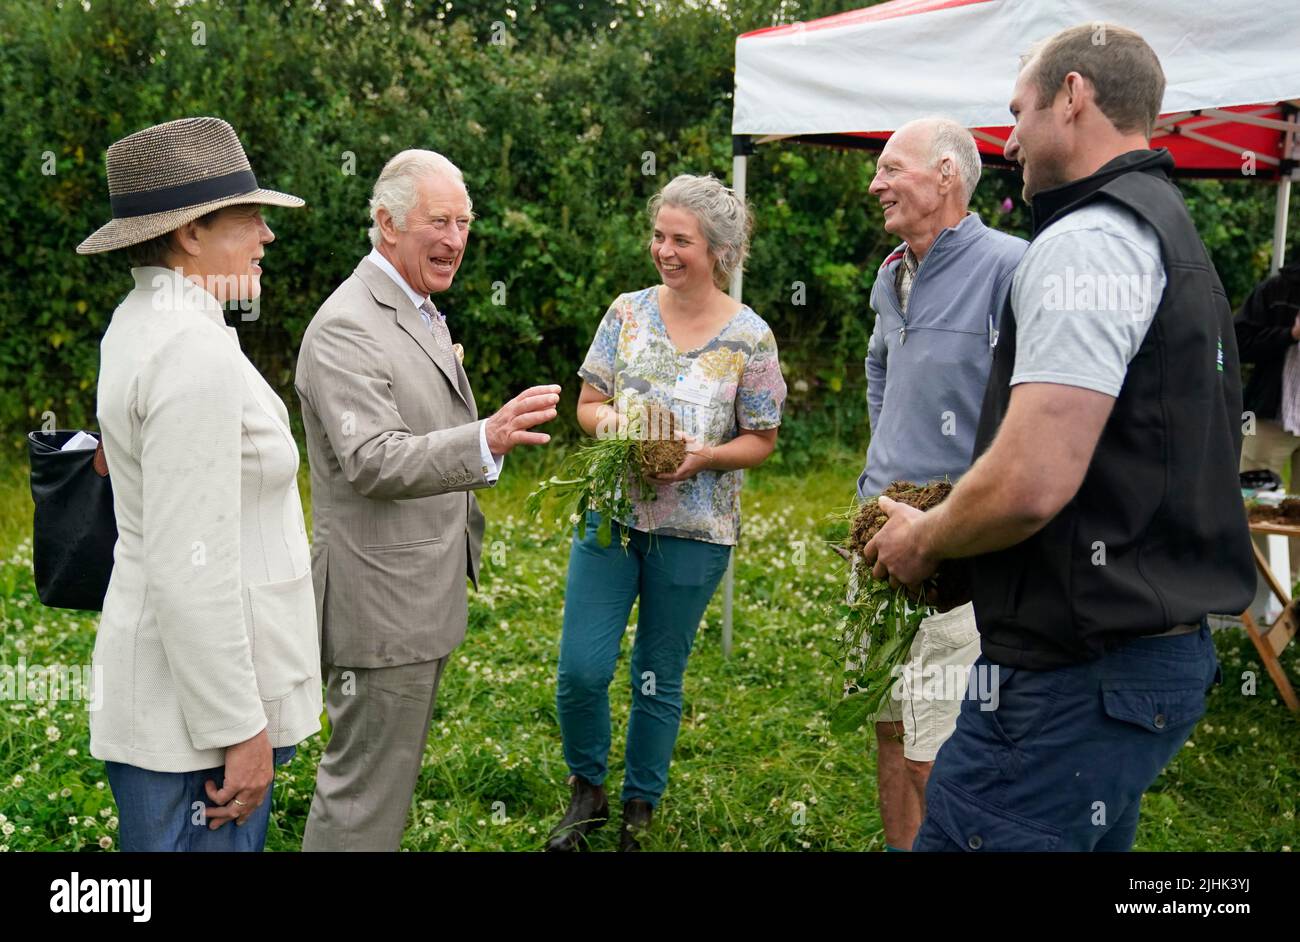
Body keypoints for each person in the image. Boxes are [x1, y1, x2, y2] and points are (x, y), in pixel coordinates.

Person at [864, 23, 1255, 851]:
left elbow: (1034, 477)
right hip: (1141, 655)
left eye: (1018, 112)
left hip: (1074, 673)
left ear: (1071, 96)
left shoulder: (1085, 242)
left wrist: (929, 539)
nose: (1007, 141)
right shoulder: (1167, 234)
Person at [295, 149, 560, 851]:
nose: (455, 238)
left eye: (464, 221)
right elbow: (372, 459)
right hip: (379, 603)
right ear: (386, 223)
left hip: (417, 593)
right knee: (361, 794)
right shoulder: (346, 326)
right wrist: (486, 439)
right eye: (437, 221)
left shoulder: (418, 307)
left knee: (385, 783)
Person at [80, 116, 320, 851]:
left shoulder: (143, 319)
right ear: (190, 233)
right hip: (196, 727)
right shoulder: (191, 348)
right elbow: (193, 568)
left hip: (171, 701)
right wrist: (239, 730)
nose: (266, 236)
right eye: (250, 218)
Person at [544, 174, 787, 852]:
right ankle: (586, 787)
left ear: (720, 251)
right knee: (582, 670)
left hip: (695, 533)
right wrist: (616, 424)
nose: (665, 250)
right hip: (611, 519)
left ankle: (639, 807)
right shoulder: (626, 312)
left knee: (658, 674)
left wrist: (703, 457)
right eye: (659, 235)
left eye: (682, 240)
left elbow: (761, 438)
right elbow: (587, 404)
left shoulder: (751, 338)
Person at [857, 117, 1026, 852]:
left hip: (957, 548)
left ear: (948, 175)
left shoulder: (1010, 267)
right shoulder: (891, 273)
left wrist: (962, 503)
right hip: (879, 530)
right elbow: (878, 368)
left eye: (893, 168)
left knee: (941, 753)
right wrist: (884, 461)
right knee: (891, 726)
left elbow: (1036, 405)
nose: (876, 183)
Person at [1236, 260, 1300, 485]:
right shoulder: (1274, 290)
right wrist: (1290, 334)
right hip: (1266, 417)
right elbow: (1238, 344)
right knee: (1251, 502)